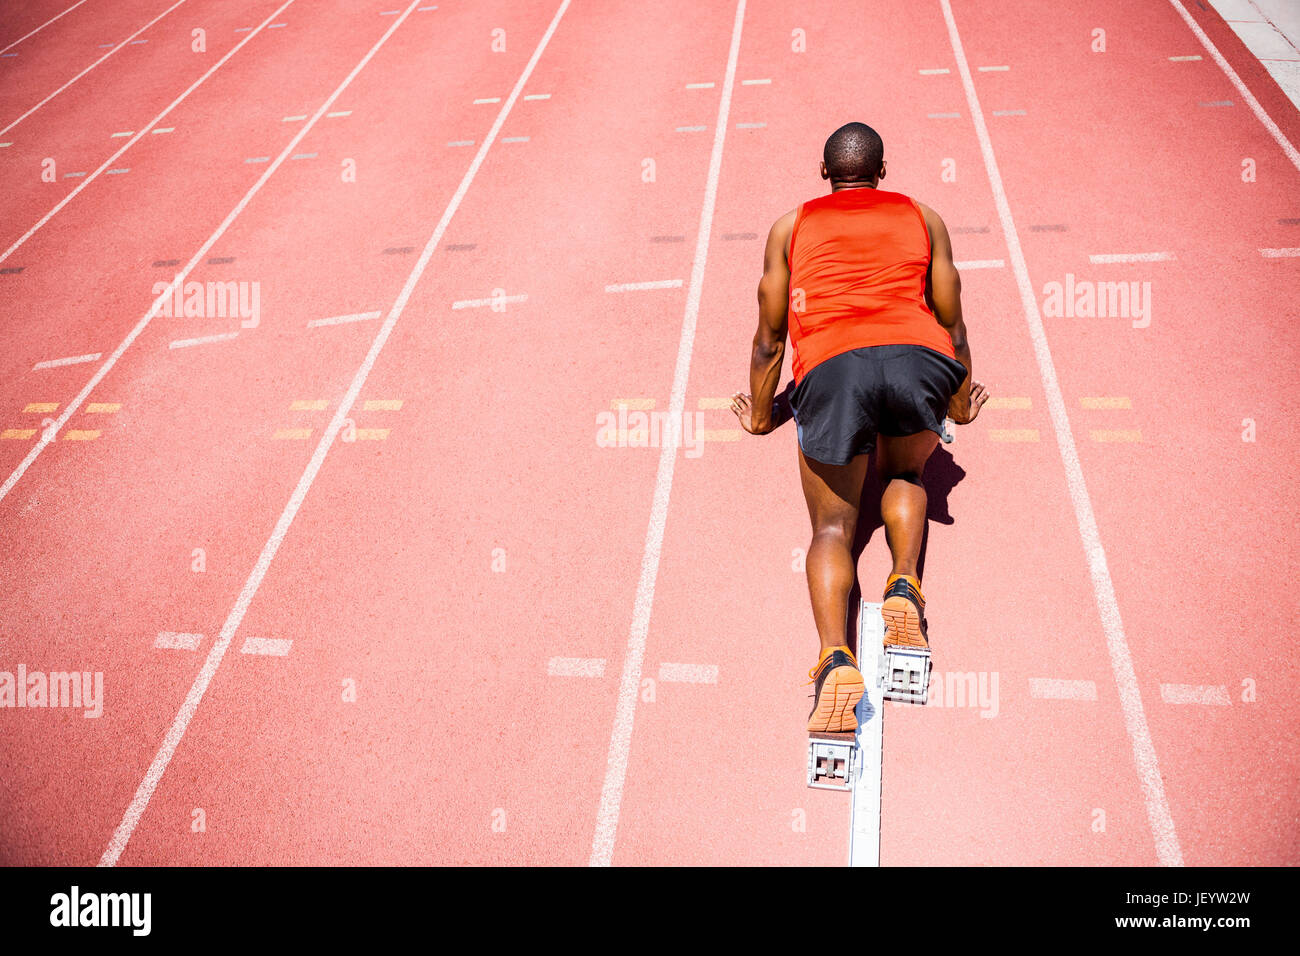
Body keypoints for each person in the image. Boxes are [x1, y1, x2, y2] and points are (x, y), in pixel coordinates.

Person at [730, 122, 989, 733]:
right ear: (883, 170)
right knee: (904, 469)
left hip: (832, 365)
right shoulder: (924, 216)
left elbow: (770, 337)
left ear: (825, 174)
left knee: (831, 526)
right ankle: (903, 586)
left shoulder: (791, 227)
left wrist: (764, 414)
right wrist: (955, 399)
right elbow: (954, 322)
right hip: (916, 356)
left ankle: (835, 660)